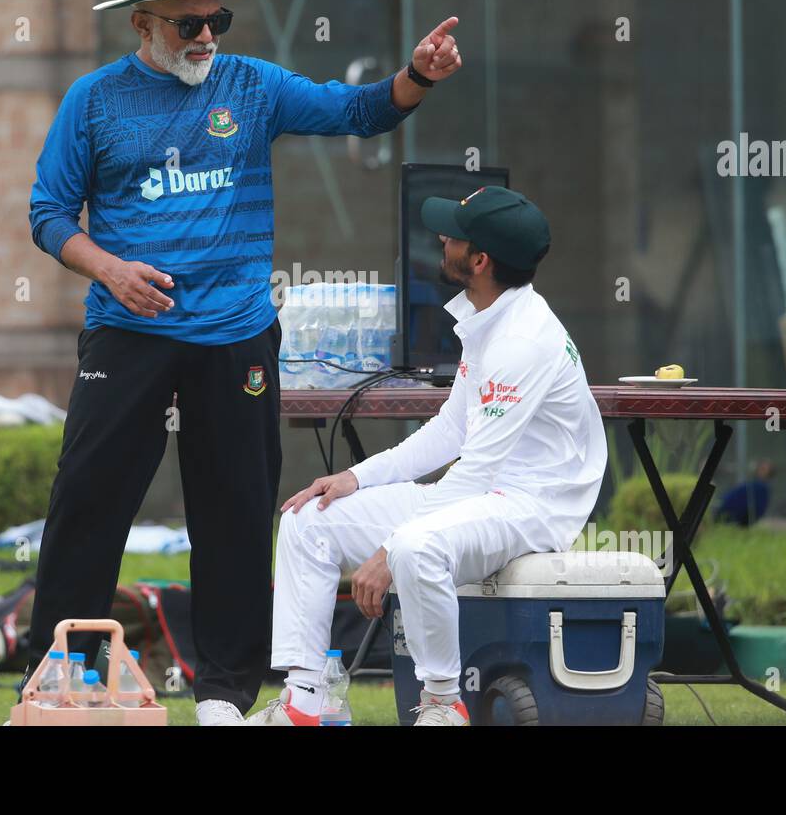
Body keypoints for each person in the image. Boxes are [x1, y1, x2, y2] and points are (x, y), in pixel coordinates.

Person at [24, 0, 462, 725]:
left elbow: (357, 110)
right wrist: (109, 269)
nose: (206, 34)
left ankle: (224, 696)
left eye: (217, 18)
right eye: (189, 22)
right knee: (88, 501)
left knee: (233, 511)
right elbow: (49, 216)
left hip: (236, 335)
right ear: (143, 23)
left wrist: (418, 75)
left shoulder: (252, 86)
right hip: (128, 330)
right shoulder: (92, 101)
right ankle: (58, 679)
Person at [246, 187, 607, 726]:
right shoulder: (490, 317)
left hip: (534, 508)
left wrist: (388, 549)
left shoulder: (522, 340)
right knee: (308, 520)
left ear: (479, 261)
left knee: (415, 548)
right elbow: (448, 433)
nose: (441, 237)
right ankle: (303, 705)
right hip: (484, 495)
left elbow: (477, 472)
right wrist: (352, 477)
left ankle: (443, 705)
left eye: (454, 235)